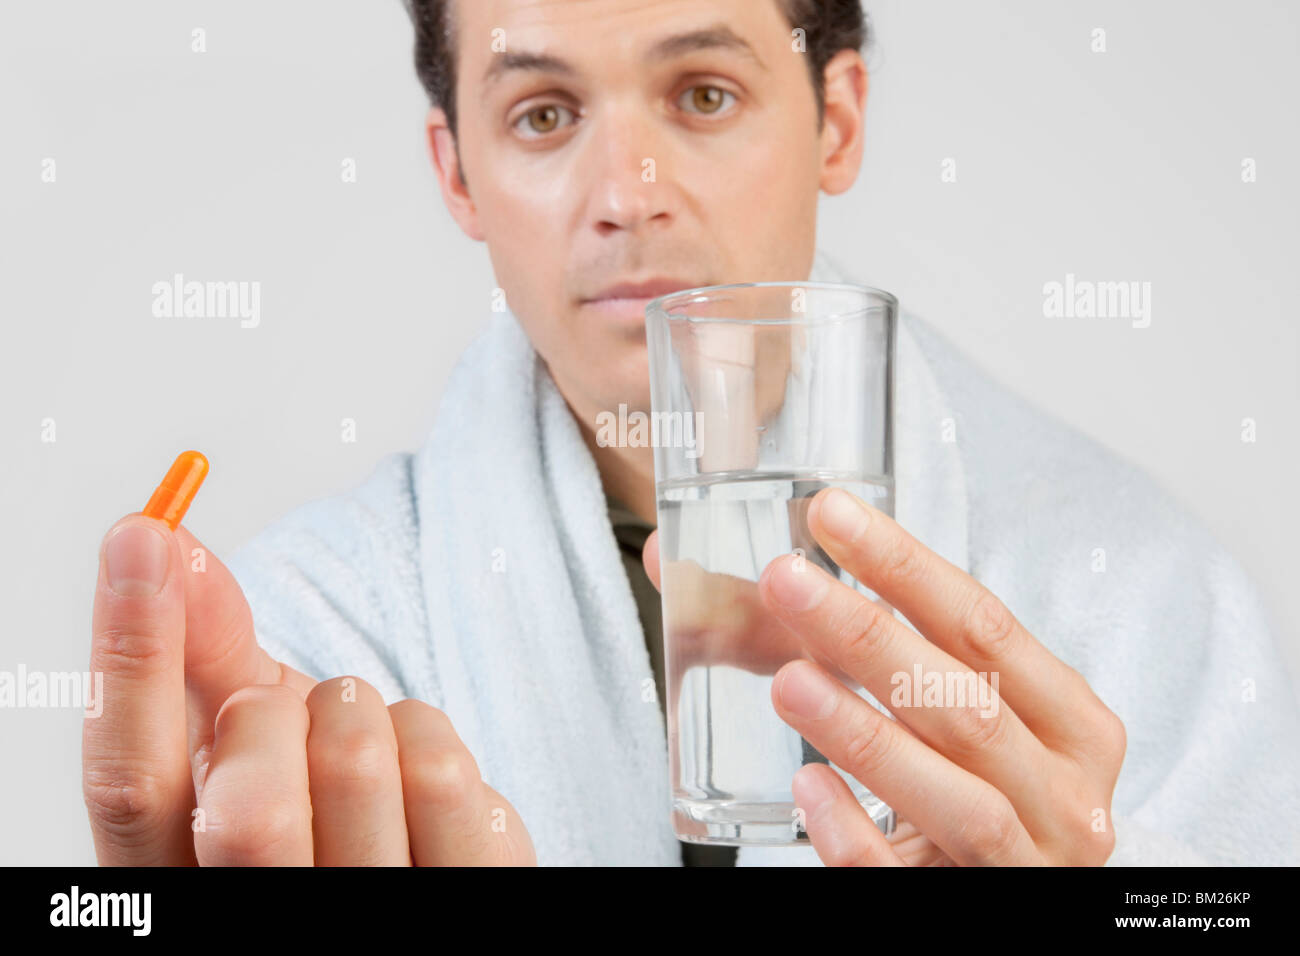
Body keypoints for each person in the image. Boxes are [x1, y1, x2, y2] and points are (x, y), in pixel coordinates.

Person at [83, 0, 1300, 866]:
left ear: (835, 120)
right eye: (545, 114)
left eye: (703, 94)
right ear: (456, 175)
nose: (627, 192)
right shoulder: (308, 640)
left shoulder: (1133, 590)